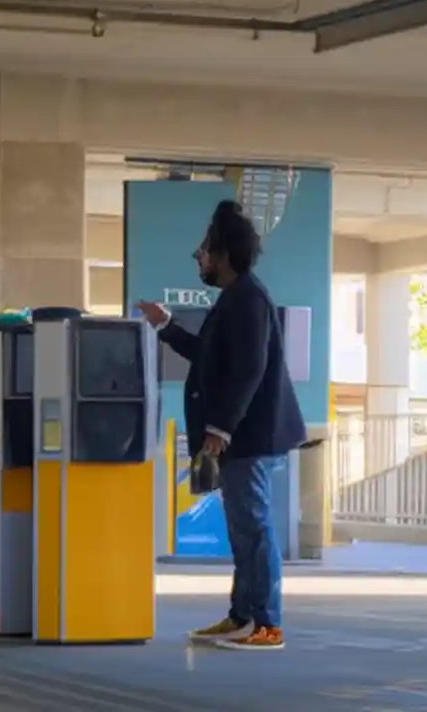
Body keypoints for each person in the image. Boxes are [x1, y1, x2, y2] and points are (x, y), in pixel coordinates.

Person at [136, 200, 306, 651]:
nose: (198, 257)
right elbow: (210, 358)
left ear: (226, 253)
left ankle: (268, 625)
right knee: (243, 529)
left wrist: (221, 428)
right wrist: (167, 325)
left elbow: (250, 369)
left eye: (205, 249)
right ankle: (241, 617)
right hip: (242, 437)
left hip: (250, 438)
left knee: (254, 528)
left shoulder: (248, 299)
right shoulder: (236, 299)